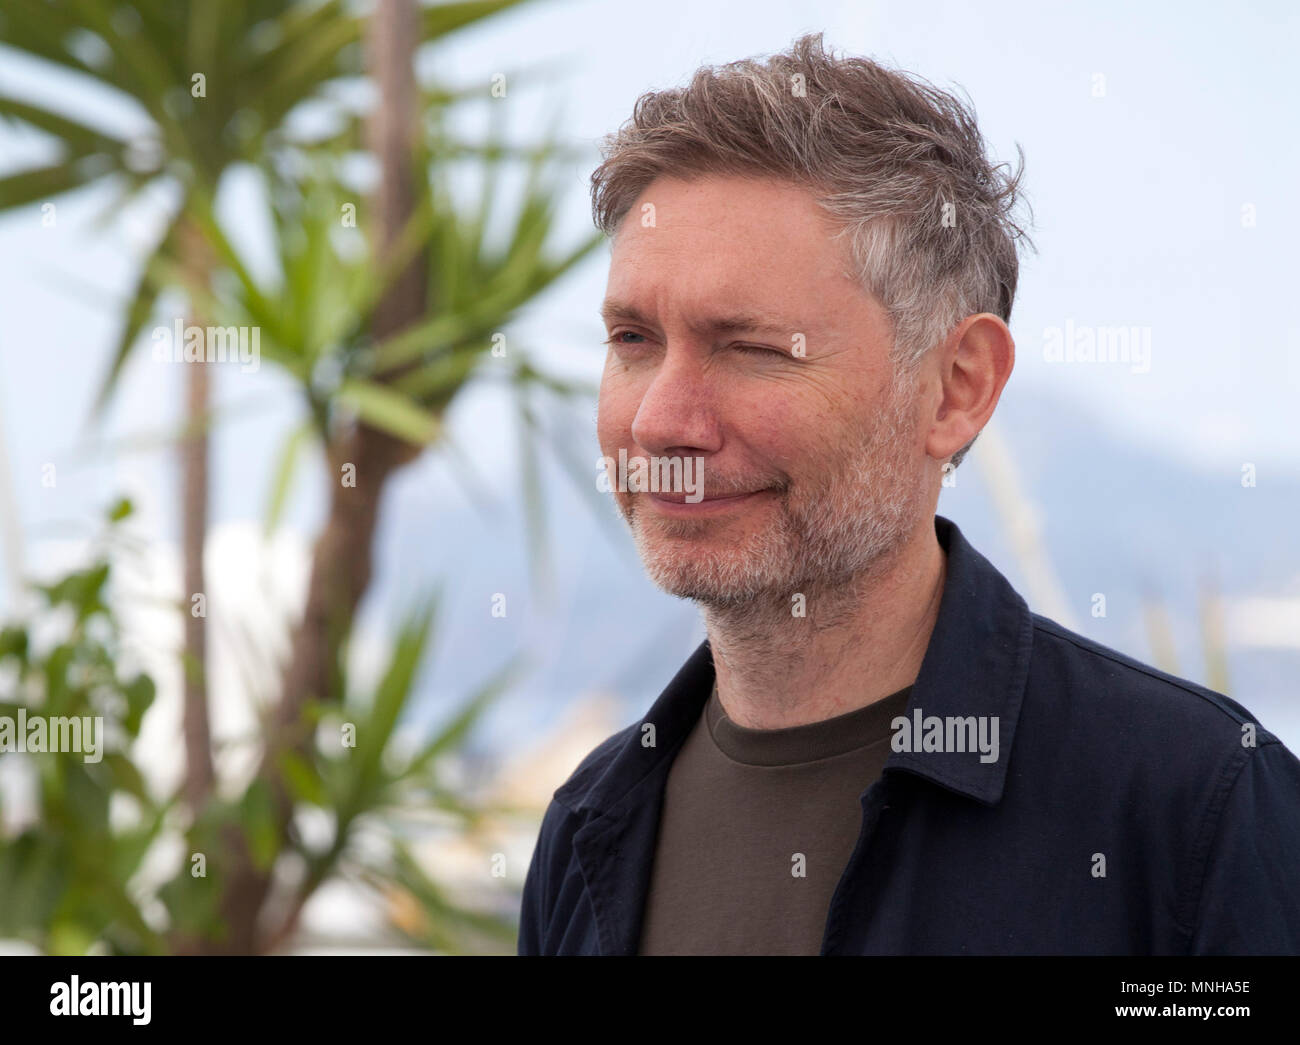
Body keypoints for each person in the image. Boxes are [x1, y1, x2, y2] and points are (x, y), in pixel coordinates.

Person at [518, 32, 1300, 955]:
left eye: (754, 348)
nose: (659, 421)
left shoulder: (1190, 810)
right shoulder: (587, 832)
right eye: (633, 339)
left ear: (957, 385)